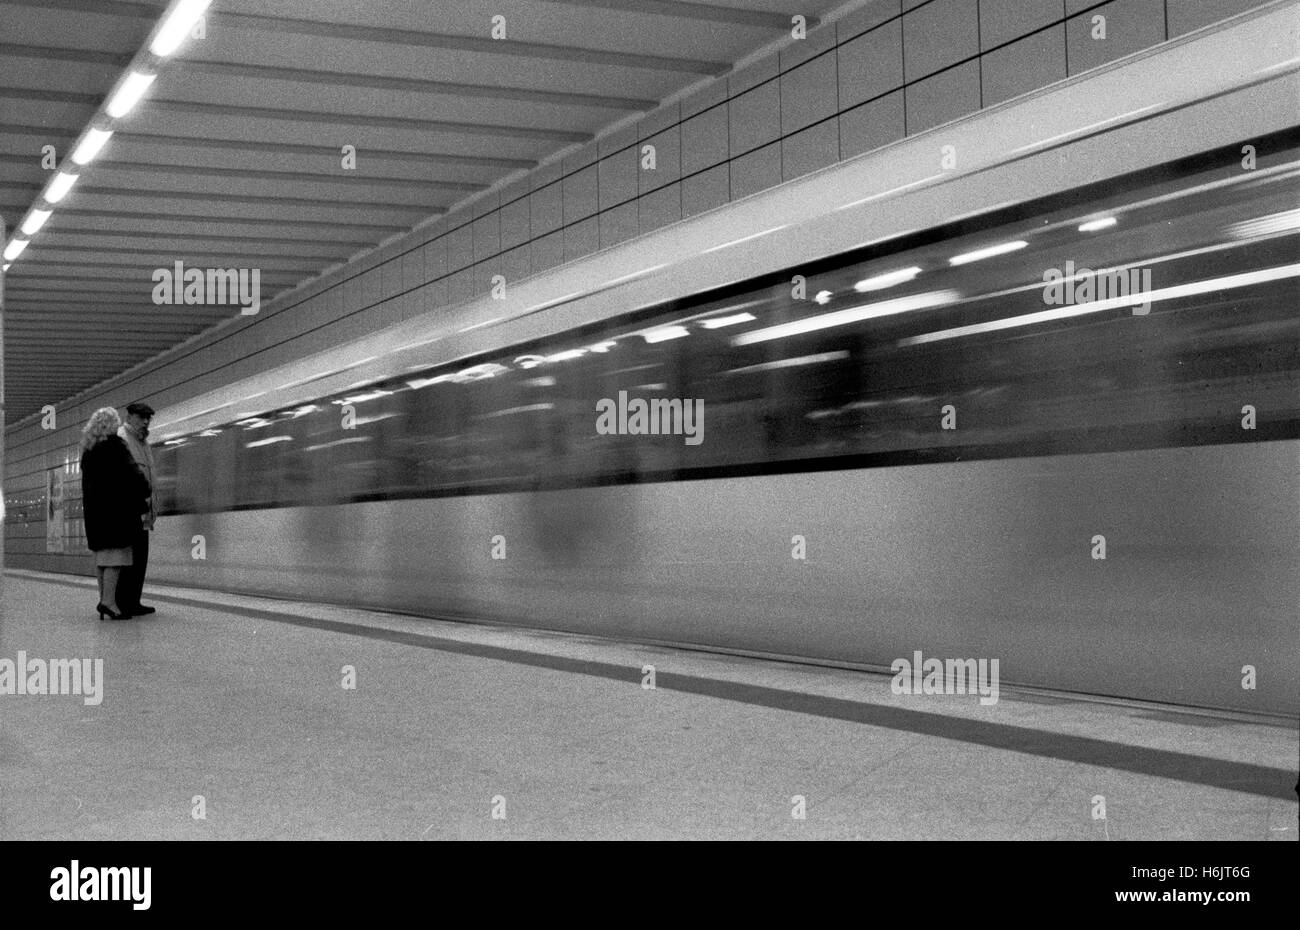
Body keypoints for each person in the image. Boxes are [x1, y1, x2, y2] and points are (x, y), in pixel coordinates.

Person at [79, 407, 150, 621]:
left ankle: (104, 600)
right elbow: (132, 475)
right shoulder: (115, 446)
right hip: (116, 514)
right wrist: (145, 489)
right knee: (116, 559)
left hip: (96, 515)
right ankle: (109, 603)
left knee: (102, 559)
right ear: (112, 425)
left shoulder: (88, 450)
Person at [117, 401, 157, 616]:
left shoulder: (143, 442)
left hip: (143, 511)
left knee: (140, 559)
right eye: (141, 417)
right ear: (130, 416)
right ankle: (123, 602)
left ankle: (134, 601)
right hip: (130, 511)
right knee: (129, 560)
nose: (145, 422)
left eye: (148, 418)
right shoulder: (123, 439)